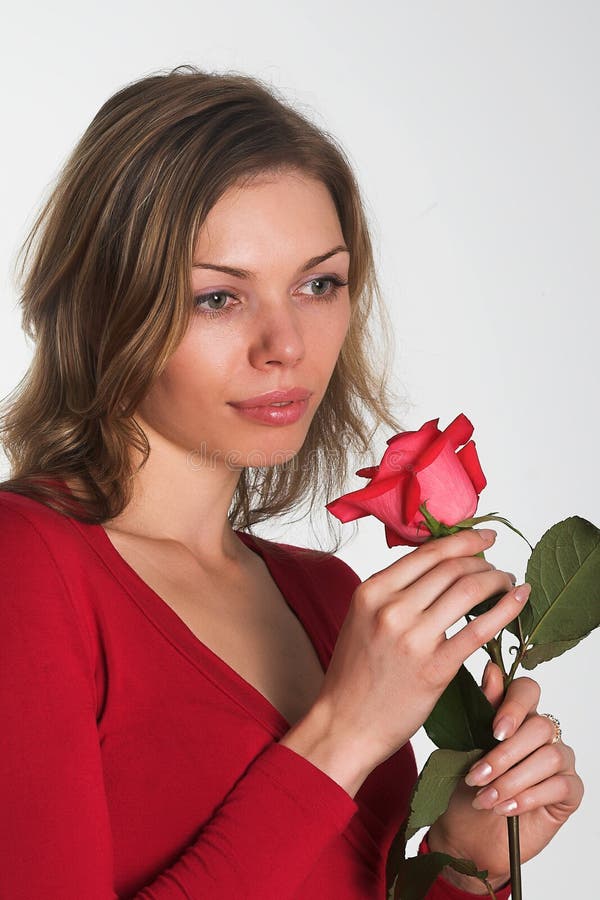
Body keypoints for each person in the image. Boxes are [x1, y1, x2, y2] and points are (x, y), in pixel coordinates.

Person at [0, 65, 583, 899]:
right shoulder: (25, 565)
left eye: (319, 284)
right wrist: (344, 733)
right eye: (217, 298)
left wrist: (467, 861)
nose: (287, 344)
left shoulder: (328, 598)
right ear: (103, 307)